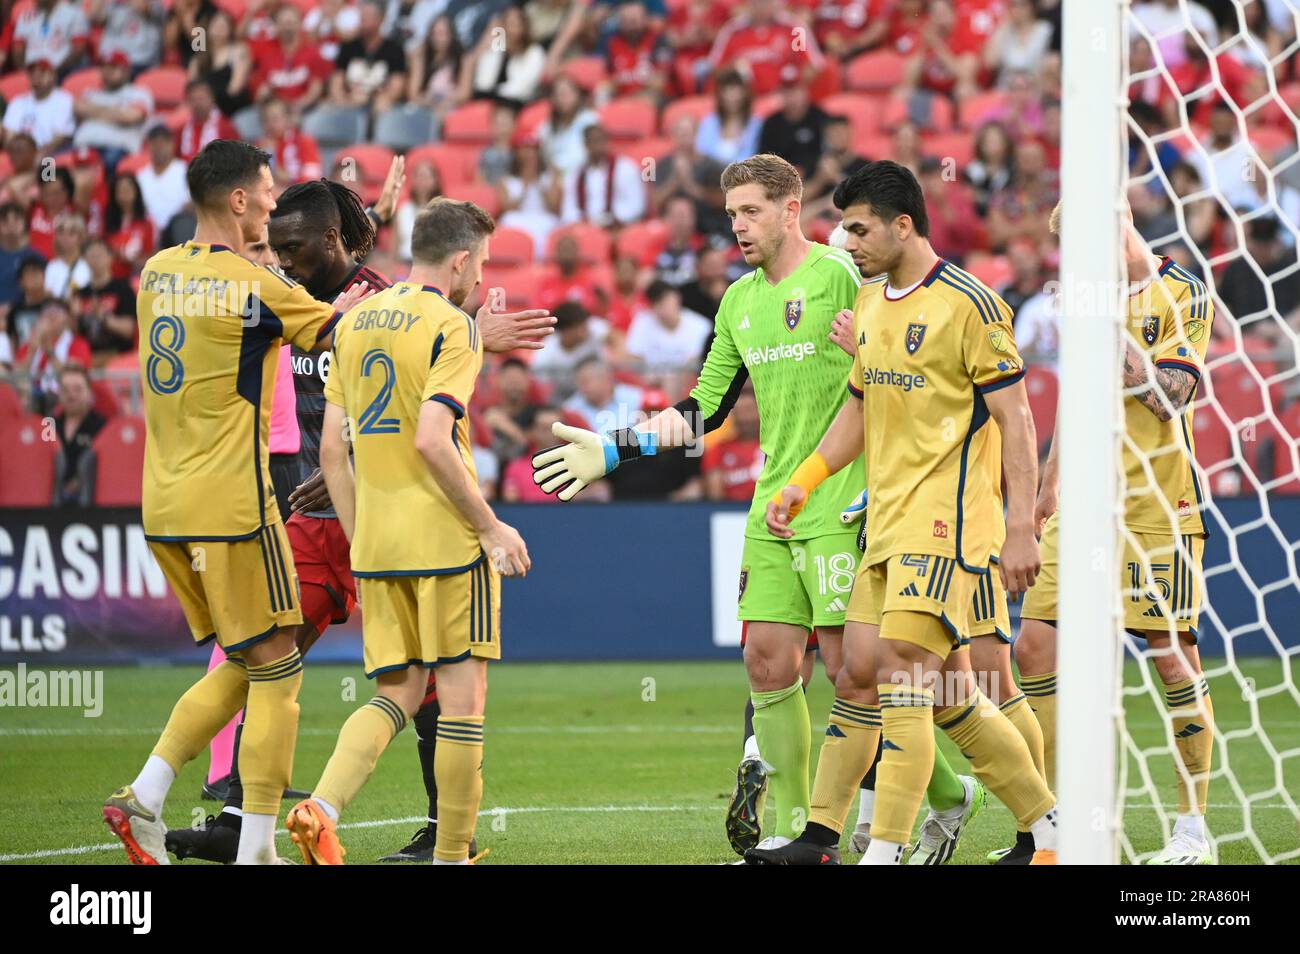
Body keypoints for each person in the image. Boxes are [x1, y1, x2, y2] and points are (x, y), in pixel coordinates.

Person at [531, 154, 865, 857]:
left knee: (851, 672)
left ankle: (950, 795)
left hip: (842, 496)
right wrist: (616, 449)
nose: (737, 226)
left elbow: (892, 365)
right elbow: (703, 409)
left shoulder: (839, 276)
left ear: (790, 208)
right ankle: (797, 834)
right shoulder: (738, 301)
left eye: (750, 212)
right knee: (769, 666)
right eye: (732, 214)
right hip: (773, 504)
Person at [747, 160, 1057, 866]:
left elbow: (1017, 419)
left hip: (947, 528)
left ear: (903, 225)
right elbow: (859, 405)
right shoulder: (875, 303)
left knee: (901, 675)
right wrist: (804, 480)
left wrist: (1017, 526)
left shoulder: (970, 305)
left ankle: (881, 851)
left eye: (857, 229)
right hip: (884, 525)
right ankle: (1050, 828)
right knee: (889, 676)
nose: (845, 241)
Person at [101, 139, 372, 867]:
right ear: (241, 201)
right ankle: (247, 844)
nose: (278, 201)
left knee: (253, 660)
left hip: (162, 505)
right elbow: (357, 334)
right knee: (280, 669)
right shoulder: (250, 286)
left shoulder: (157, 272)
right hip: (235, 505)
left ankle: (154, 798)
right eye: (270, 189)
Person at [286, 198, 531, 865]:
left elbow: (333, 451)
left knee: (397, 692)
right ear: (459, 260)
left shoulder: (355, 320)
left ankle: (322, 806)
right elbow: (432, 437)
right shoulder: (455, 327)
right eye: (478, 264)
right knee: (461, 702)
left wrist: (364, 536)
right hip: (448, 542)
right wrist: (490, 526)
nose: (478, 280)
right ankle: (452, 856)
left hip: (378, 544)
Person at [1016, 200, 1218, 867]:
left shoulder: (1182, 290)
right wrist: (1048, 484)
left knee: (1169, 654)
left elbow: (1170, 399)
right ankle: (1058, 827)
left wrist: (1119, 341)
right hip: (1083, 500)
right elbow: (1079, 394)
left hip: (1157, 503)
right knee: (1034, 648)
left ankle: (1193, 830)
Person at [72, 53, 154, 166]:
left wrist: (93, 111)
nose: (108, 71)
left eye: (113, 67)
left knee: (108, 163)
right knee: (54, 165)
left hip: (116, 149)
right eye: (104, 67)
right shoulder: (91, 93)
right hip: (83, 146)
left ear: (126, 70)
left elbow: (131, 117)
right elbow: (78, 108)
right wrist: (116, 112)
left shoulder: (138, 93)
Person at [558, 125, 646, 227]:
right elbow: (568, 209)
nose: (598, 146)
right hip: (585, 228)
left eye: (601, 140)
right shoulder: (576, 174)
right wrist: (582, 222)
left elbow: (637, 205)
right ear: (585, 145)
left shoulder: (626, 168)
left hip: (619, 226)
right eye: (593, 141)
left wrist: (615, 218)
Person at [52, 364, 107, 507]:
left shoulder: (102, 426)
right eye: (65, 390)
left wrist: (78, 482)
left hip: (90, 504)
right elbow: (44, 461)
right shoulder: (49, 424)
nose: (71, 395)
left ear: (89, 392)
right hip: (51, 503)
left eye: (77, 389)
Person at [626, 280, 711, 370]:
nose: (666, 308)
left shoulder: (701, 326)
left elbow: (696, 362)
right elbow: (634, 357)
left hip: (688, 381)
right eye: (659, 303)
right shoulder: (642, 322)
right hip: (649, 380)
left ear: (677, 298)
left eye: (668, 301)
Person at [74, 238, 137, 357]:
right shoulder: (80, 294)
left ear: (110, 257)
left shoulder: (123, 288)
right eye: (92, 255)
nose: (96, 259)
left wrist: (103, 318)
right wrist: (75, 316)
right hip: (87, 357)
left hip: (117, 356)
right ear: (84, 259)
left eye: (100, 255)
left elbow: (129, 330)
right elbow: (74, 335)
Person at [702, 383, 762, 502]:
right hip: (730, 512)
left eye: (749, 410)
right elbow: (715, 494)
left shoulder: (773, 446)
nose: (744, 418)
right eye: (739, 412)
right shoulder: (718, 450)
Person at [2, 59, 75, 152]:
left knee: (48, 164)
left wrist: (39, 155)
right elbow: (9, 136)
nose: (36, 77)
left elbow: (60, 138)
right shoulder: (17, 102)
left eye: (42, 73)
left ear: (52, 76)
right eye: (32, 74)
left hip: (50, 154)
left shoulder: (64, 99)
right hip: (20, 154)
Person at [135, 126, 190, 236]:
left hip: (179, 233)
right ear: (149, 146)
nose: (159, 147)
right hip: (150, 235)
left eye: (163, 143)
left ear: (172, 144)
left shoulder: (185, 171)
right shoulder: (141, 176)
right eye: (155, 144)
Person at [177, 79, 238, 163]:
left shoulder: (225, 127)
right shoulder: (181, 130)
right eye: (193, 99)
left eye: (201, 98)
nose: (197, 104)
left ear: (212, 99)